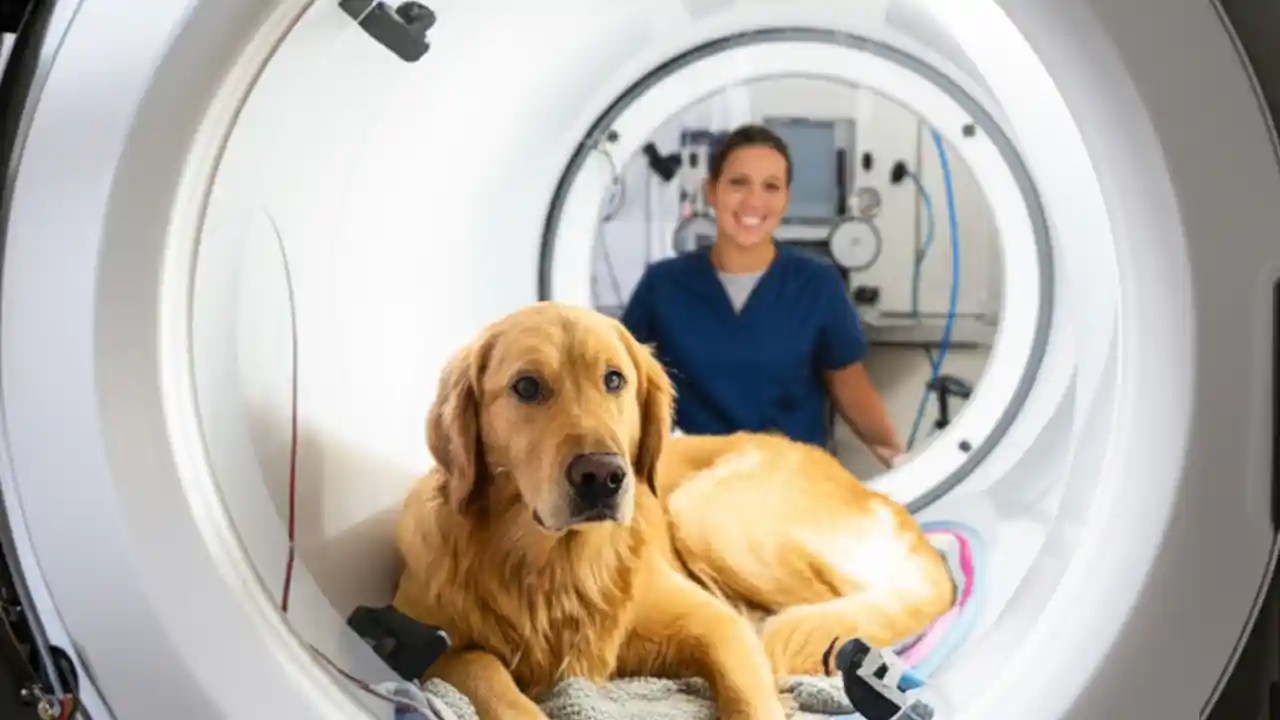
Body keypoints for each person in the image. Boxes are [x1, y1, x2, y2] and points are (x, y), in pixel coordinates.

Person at [621, 124, 906, 468]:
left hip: (791, 484)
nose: (754, 201)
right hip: (692, 484)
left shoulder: (817, 285)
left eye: (771, 186)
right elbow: (622, 389)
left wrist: (900, 460)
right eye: (738, 183)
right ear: (711, 191)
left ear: (785, 198)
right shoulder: (662, 286)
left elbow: (852, 391)